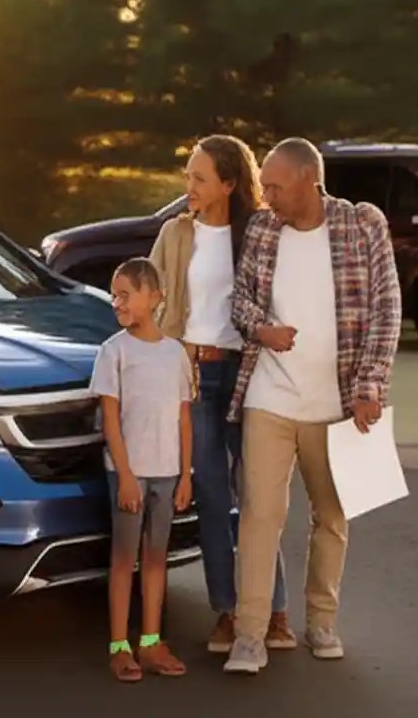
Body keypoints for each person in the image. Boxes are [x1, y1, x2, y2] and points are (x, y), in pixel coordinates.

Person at [223, 138, 401, 674]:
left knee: (333, 517)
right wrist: (262, 328)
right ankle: (249, 637)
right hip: (269, 399)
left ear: (308, 180)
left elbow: (386, 310)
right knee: (259, 516)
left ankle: (321, 621)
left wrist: (370, 385)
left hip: (339, 406)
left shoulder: (362, 226)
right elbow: (241, 300)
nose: (267, 195)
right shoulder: (262, 229)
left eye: (275, 185)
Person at [148, 135, 293, 654]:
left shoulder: (257, 233)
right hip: (193, 377)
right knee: (211, 496)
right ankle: (228, 612)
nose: (189, 186)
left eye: (199, 178)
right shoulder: (174, 233)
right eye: (187, 175)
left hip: (247, 375)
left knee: (256, 498)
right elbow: (153, 299)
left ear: (229, 184)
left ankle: (273, 610)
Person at [89, 257, 194, 682]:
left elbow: (184, 419)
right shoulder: (113, 352)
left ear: (154, 297)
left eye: (126, 294)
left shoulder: (175, 355)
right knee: (123, 559)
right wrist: (125, 475)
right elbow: (110, 420)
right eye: (114, 295)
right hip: (129, 475)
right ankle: (119, 646)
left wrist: (186, 475)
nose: (118, 302)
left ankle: (151, 641)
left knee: (156, 558)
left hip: (167, 474)